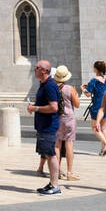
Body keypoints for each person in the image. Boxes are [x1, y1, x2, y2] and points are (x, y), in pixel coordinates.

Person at [26, 59, 61, 196]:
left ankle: (55, 186)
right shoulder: (44, 84)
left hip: (48, 126)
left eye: (37, 67)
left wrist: (36, 108)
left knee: (51, 155)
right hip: (44, 125)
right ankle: (52, 183)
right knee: (48, 154)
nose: (34, 69)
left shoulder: (49, 85)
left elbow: (54, 107)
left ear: (44, 70)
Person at [54, 65, 81, 181]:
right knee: (69, 144)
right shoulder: (70, 88)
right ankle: (69, 172)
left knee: (57, 145)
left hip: (57, 118)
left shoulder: (53, 88)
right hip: (69, 119)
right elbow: (77, 104)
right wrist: (75, 93)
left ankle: (57, 170)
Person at [83, 60, 106, 156]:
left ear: (96, 69)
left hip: (97, 105)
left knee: (95, 127)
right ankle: (103, 150)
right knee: (104, 127)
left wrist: (82, 89)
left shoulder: (94, 80)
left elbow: (88, 94)